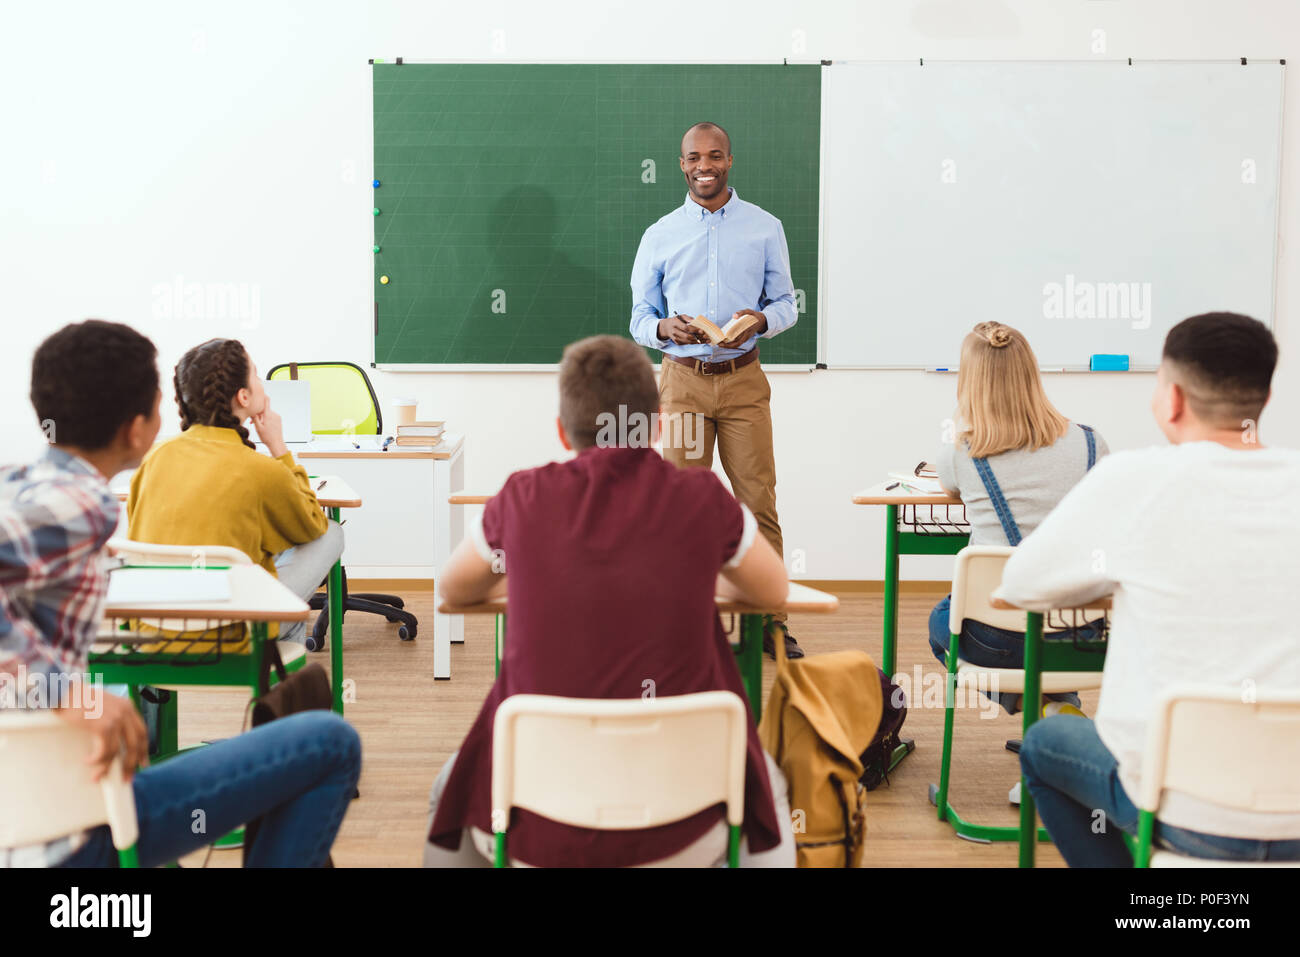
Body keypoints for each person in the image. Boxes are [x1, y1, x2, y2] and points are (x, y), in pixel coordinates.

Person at [424, 335, 795, 867]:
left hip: (535, 832)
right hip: (687, 832)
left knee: (448, 790)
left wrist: (537, 575)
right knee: (773, 785)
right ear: (659, 423)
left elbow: (453, 588)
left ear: (561, 431)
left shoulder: (521, 497)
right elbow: (774, 590)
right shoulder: (702, 498)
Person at [0, 320, 360, 867]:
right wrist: (74, 697)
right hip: (74, 832)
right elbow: (312, 528)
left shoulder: (20, 482)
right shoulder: (82, 503)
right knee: (331, 743)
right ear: (138, 426)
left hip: (31, 809)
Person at [1006, 311, 1300, 866]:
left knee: (1044, 747)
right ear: (1261, 397)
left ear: (1172, 400)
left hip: (1185, 806)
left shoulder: (1132, 480)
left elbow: (1022, 584)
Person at [630, 121, 803, 659]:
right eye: (693, 157)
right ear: (681, 165)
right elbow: (639, 316)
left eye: (714, 156)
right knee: (682, 509)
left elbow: (787, 305)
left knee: (757, 502)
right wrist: (663, 329)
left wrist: (762, 322)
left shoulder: (764, 227)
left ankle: (771, 623)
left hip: (743, 380)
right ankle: (684, 622)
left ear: (730, 160)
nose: (704, 165)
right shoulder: (659, 233)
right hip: (681, 381)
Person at [929, 322, 1108, 718]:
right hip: (1083, 632)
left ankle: (1039, 709)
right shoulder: (1094, 443)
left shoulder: (959, 454)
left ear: (970, 383)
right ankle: (1058, 712)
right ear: (1031, 374)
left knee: (942, 621)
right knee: (1054, 598)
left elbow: (953, 491)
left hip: (1000, 640)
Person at [127, 338, 342, 644]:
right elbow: (311, 526)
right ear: (243, 396)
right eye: (256, 374)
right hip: (232, 634)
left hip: (150, 631)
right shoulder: (262, 470)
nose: (261, 381)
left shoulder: (153, 459)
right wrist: (279, 447)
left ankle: (152, 689)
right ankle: (279, 687)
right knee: (331, 533)